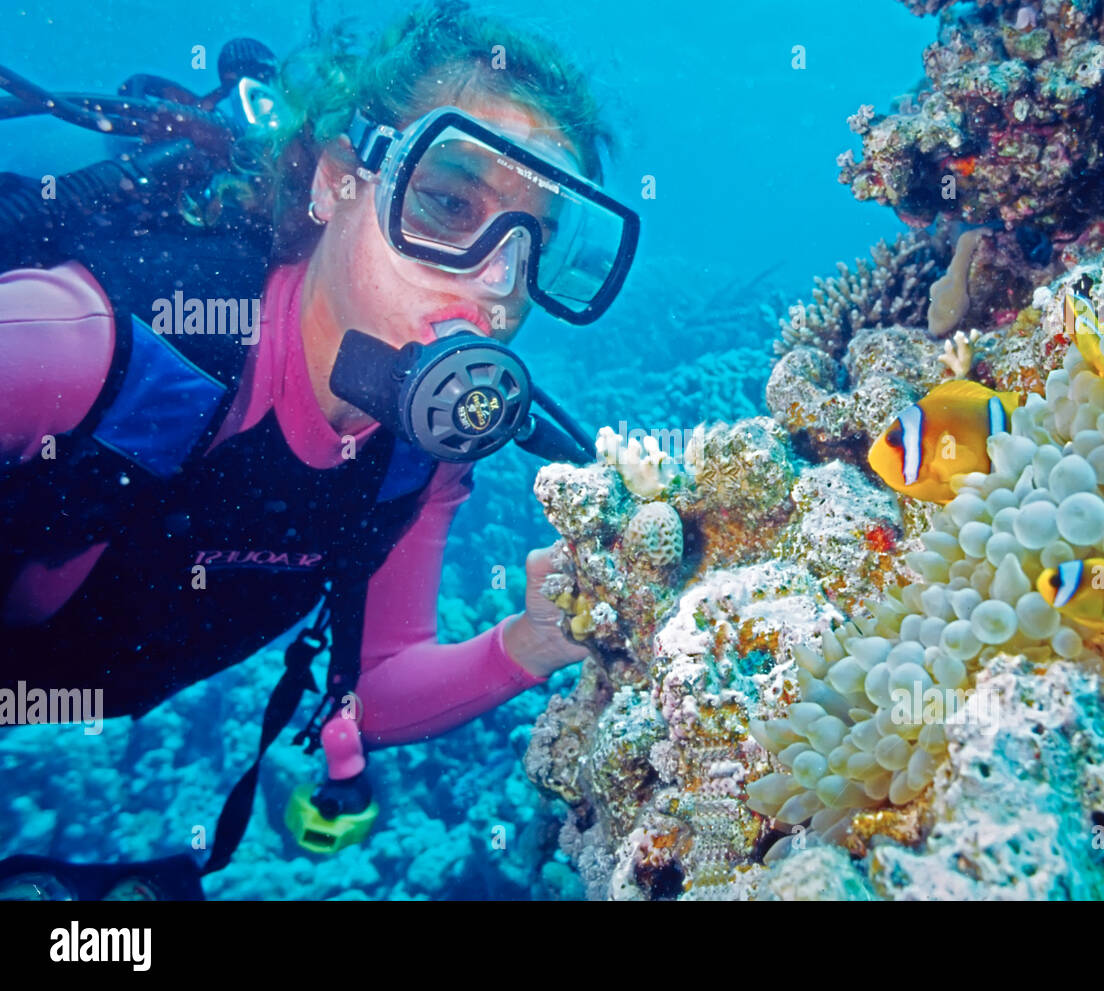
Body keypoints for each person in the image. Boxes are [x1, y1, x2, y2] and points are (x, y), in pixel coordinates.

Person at [0, 0, 637, 878]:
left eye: (534, 243)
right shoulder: (108, 343)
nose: (499, 287)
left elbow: (375, 681)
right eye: (450, 202)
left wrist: (528, 643)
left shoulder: (421, 451)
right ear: (339, 179)